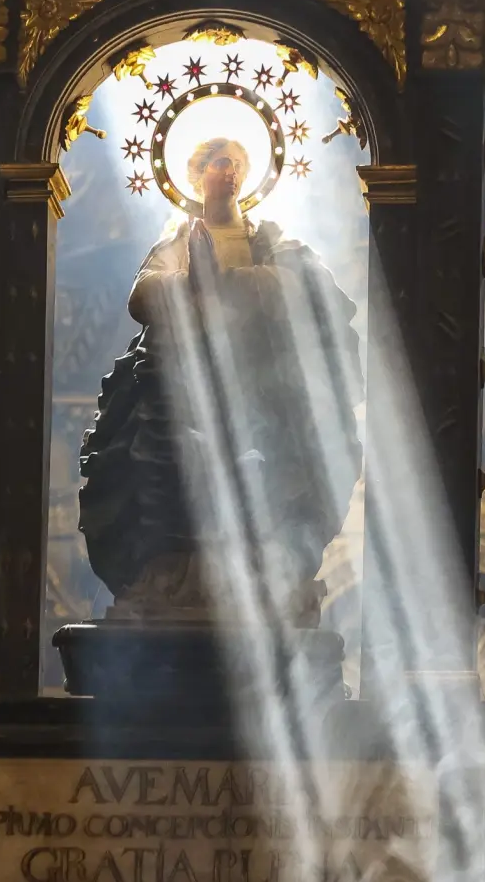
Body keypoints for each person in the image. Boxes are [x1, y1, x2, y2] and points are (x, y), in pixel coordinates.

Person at [77, 137, 362, 627]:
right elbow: (142, 296)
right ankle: (171, 572)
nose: (228, 172)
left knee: (268, 470)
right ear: (196, 175)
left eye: (236, 164)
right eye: (217, 163)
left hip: (260, 381)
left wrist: (235, 283)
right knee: (172, 467)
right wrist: (191, 283)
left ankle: (264, 571)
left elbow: (312, 292)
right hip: (182, 383)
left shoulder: (272, 241)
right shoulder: (177, 242)